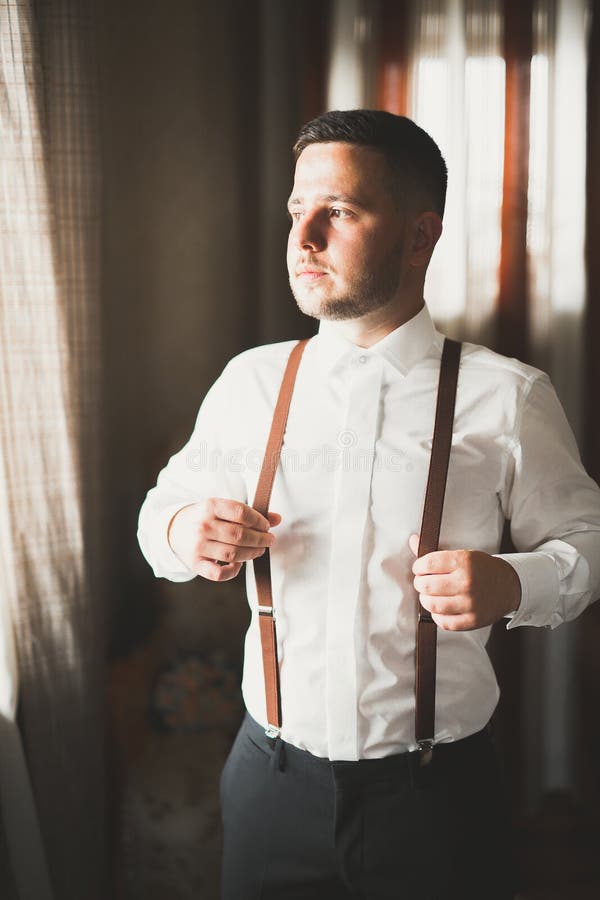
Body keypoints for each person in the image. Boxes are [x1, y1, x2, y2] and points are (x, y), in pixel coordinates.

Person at [137, 110, 600, 900]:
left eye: (339, 212)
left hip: (437, 801)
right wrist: (185, 531)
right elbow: (161, 511)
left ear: (419, 236)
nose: (303, 238)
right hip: (268, 783)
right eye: (296, 212)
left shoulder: (508, 396)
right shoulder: (249, 383)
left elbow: (585, 542)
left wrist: (514, 583)